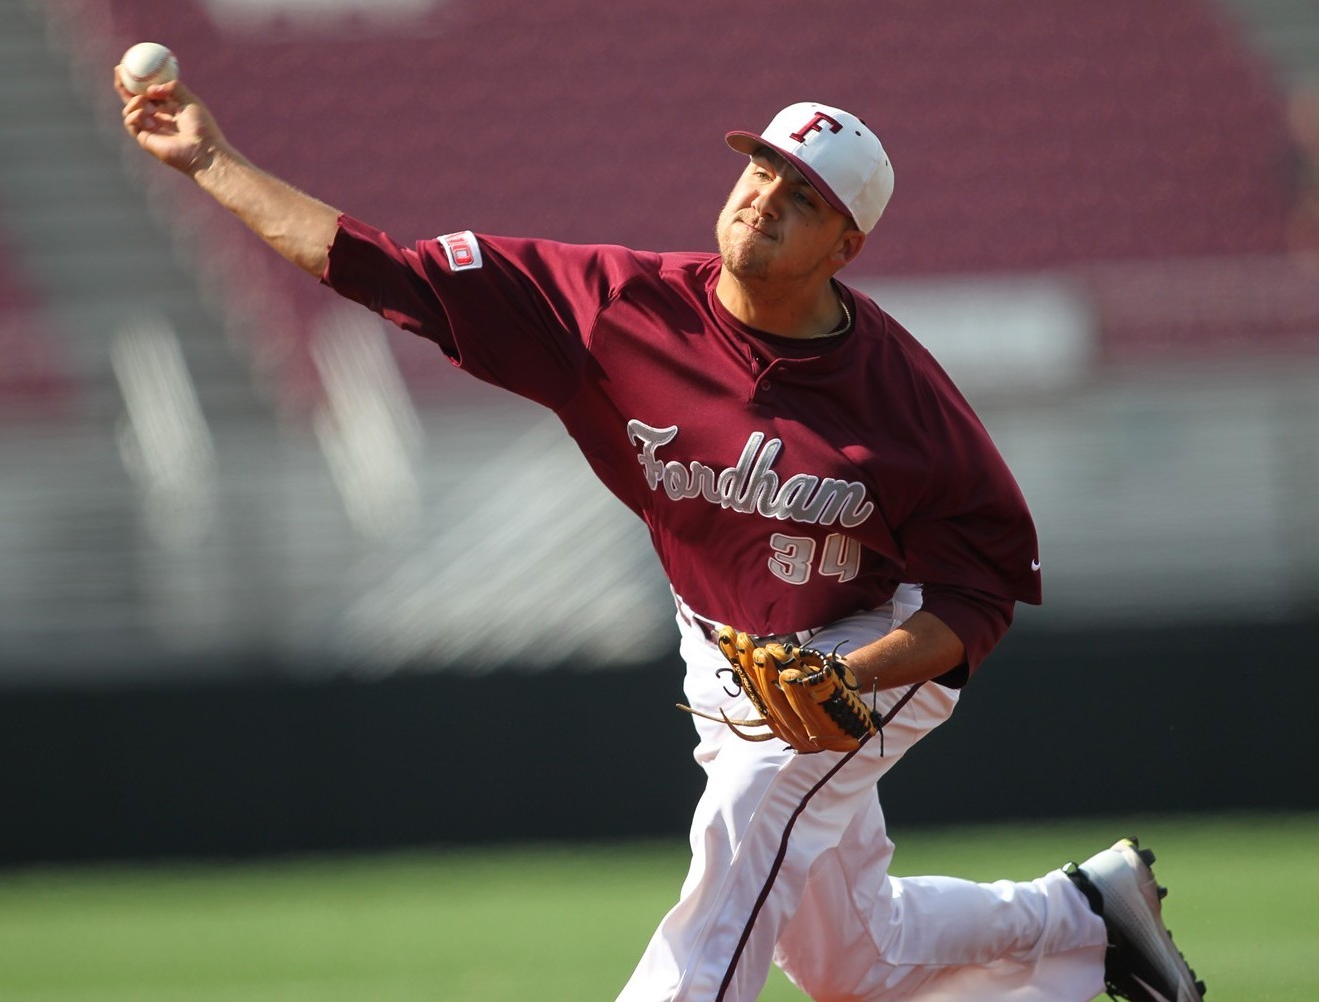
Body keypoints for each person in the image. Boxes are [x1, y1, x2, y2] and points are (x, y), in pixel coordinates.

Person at [117, 65, 1206, 1002]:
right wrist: (212, 161)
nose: (763, 198)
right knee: (846, 960)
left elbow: (980, 593)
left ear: (845, 243)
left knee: (745, 815)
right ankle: (1082, 910)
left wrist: (857, 678)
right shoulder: (611, 309)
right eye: (760, 170)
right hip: (721, 645)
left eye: (801, 195)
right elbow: (378, 267)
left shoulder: (903, 402)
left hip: (872, 646)